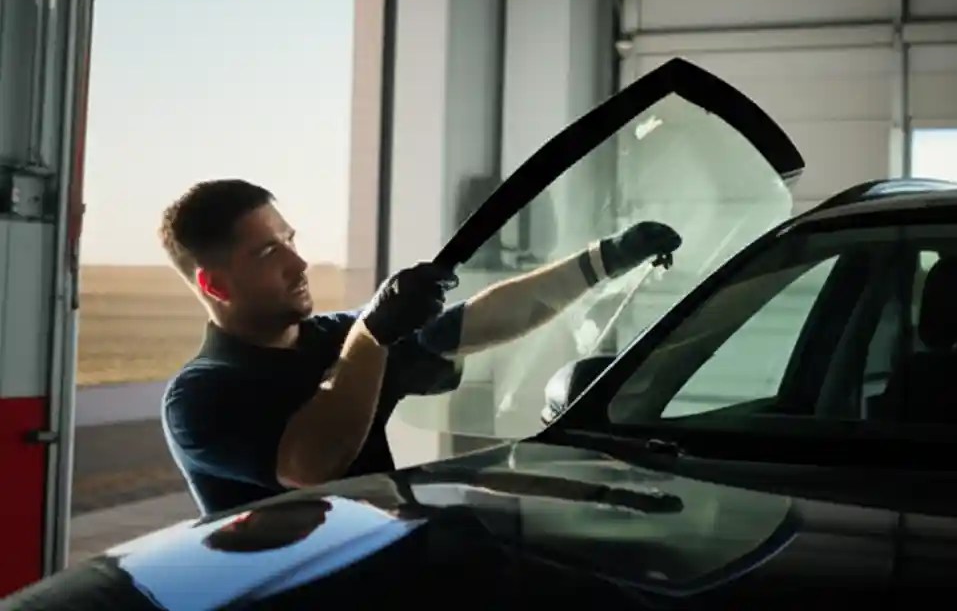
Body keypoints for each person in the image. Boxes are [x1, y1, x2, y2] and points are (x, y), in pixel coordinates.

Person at [158, 178, 681, 516]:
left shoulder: (338, 339)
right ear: (216, 286)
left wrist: (604, 259)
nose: (298, 264)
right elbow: (311, 465)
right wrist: (373, 334)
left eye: (291, 240)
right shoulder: (199, 397)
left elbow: (475, 324)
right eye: (269, 251)